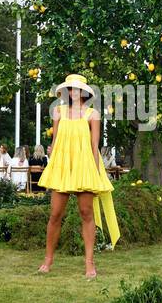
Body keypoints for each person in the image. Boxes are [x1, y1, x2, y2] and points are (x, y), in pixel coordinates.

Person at [37, 74, 120, 279]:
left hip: (84, 166)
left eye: (77, 89)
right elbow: (55, 142)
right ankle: (48, 260)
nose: (73, 92)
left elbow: (94, 145)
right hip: (63, 167)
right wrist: (52, 168)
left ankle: (89, 263)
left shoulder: (93, 114)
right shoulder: (58, 111)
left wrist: (97, 172)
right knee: (55, 214)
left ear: (83, 92)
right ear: (66, 91)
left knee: (86, 213)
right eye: (70, 89)